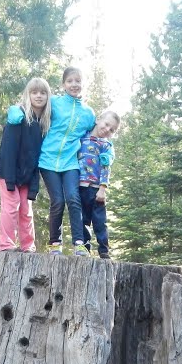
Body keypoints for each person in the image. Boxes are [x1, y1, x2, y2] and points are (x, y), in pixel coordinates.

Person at [39, 67, 98, 255]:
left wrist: (105, 154)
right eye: (70, 81)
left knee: (74, 198)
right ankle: (54, 243)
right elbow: (32, 107)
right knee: (57, 201)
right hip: (48, 160)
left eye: (78, 81)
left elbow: (96, 136)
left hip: (71, 162)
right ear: (63, 84)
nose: (74, 84)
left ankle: (79, 243)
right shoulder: (54, 102)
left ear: (83, 84)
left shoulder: (88, 113)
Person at [0, 78, 51, 252]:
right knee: (11, 206)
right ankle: (5, 245)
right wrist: (10, 178)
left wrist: (33, 184)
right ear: (28, 95)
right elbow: (8, 149)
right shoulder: (18, 116)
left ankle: (28, 246)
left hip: (27, 175)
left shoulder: (43, 122)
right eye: (34, 92)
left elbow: (36, 156)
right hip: (9, 172)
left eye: (43, 93)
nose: (39, 96)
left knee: (26, 210)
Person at [76, 110, 120, 260]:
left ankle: (104, 251)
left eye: (112, 129)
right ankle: (84, 250)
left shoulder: (106, 146)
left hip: (96, 189)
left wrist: (102, 189)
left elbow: (106, 168)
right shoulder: (82, 138)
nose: (107, 129)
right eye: (107, 124)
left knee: (99, 222)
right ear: (98, 120)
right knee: (83, 220)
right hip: (80, 186)